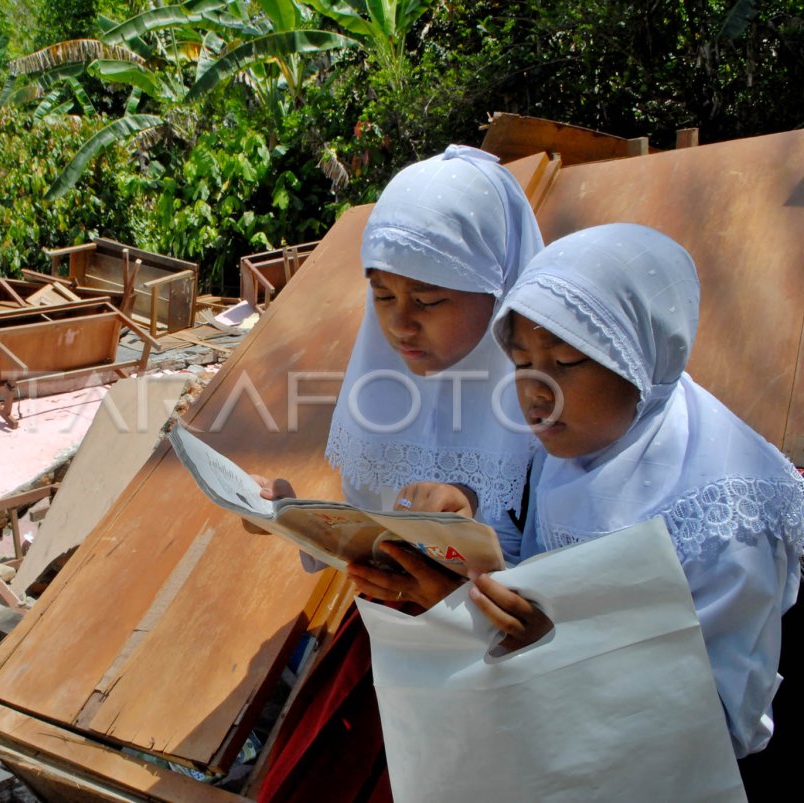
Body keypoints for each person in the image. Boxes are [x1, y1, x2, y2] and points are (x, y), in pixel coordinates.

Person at [255, 145, 543, 803]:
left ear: (501, 289)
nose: (399, 323)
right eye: (382, 295)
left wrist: (458, 589)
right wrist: (300, 518)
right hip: (384, 662)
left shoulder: (552, 417)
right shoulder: (389, 387)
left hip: (496, 707)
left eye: (430, 298)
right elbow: (372, 536)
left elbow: (567, 610)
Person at [458, 223, 802, 759]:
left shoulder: (725, 520)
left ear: (642, 359)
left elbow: (723, 725)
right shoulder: (565, 453)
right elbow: (534, 579)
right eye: (521, 362)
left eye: (566, 363)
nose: (534, 391)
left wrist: (560, 656)